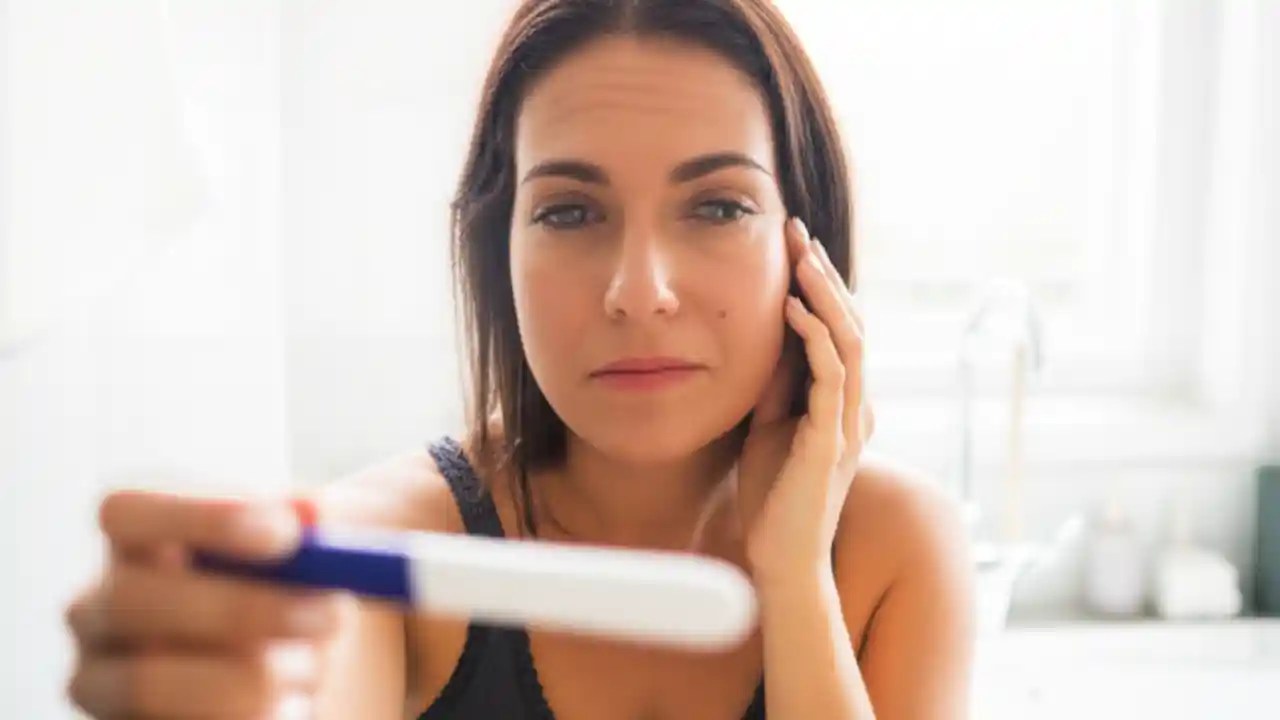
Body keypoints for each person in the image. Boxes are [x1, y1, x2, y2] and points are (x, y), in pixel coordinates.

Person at [64, 0, 976, 717]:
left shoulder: (898, 551)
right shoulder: (380, 545)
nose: (640, 289)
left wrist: (797, 579)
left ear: (803, 248)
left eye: (716, 207)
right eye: (570, 213)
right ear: (498, 257)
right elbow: (306, 680)